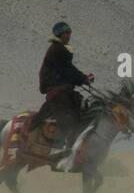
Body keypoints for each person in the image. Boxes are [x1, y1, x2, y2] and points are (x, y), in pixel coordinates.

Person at [29, 21, 94, 152]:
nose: (69, 35)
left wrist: (83, 78)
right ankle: (57, 147)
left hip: (63, 89)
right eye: (66, 33)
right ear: (60, 34)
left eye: (69, 33)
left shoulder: (61, 49)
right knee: (68, 118)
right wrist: (83, 78)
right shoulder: (56, 49)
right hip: (57, 90)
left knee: (81, 111)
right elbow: (66, 70)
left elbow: (69, 69)